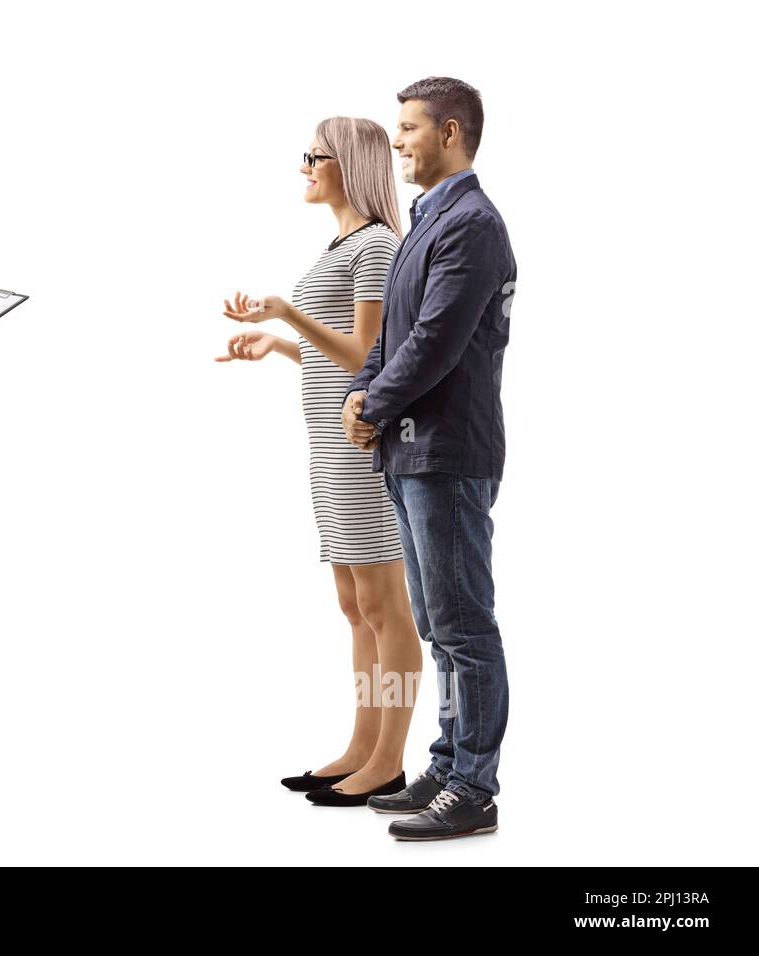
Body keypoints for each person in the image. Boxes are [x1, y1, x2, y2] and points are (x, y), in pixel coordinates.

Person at [218, 117, 424, 807]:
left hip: (362, 449)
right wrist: (277, 346)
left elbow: (373, 355)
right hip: (329, 451)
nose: (304, 164)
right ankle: (361, 745)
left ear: (352, 164)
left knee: (385, 606)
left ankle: (389, 759)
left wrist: (288, 317)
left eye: (317, 155)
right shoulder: (340, 244)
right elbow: (344, 354)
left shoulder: (375, 246)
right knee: (353, 604)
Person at [341, 77, 516, 840]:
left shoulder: (472, 224)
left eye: (409, 128)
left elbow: (436, 342)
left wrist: (374, 405)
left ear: (451, 133)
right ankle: (448, 764)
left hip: (447, 450)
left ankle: (474, 788)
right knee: (436, 622)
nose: (399, 141)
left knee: (464, 625)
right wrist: (360, 392)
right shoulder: (426, 220)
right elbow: (392, 335)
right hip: (412, 452)